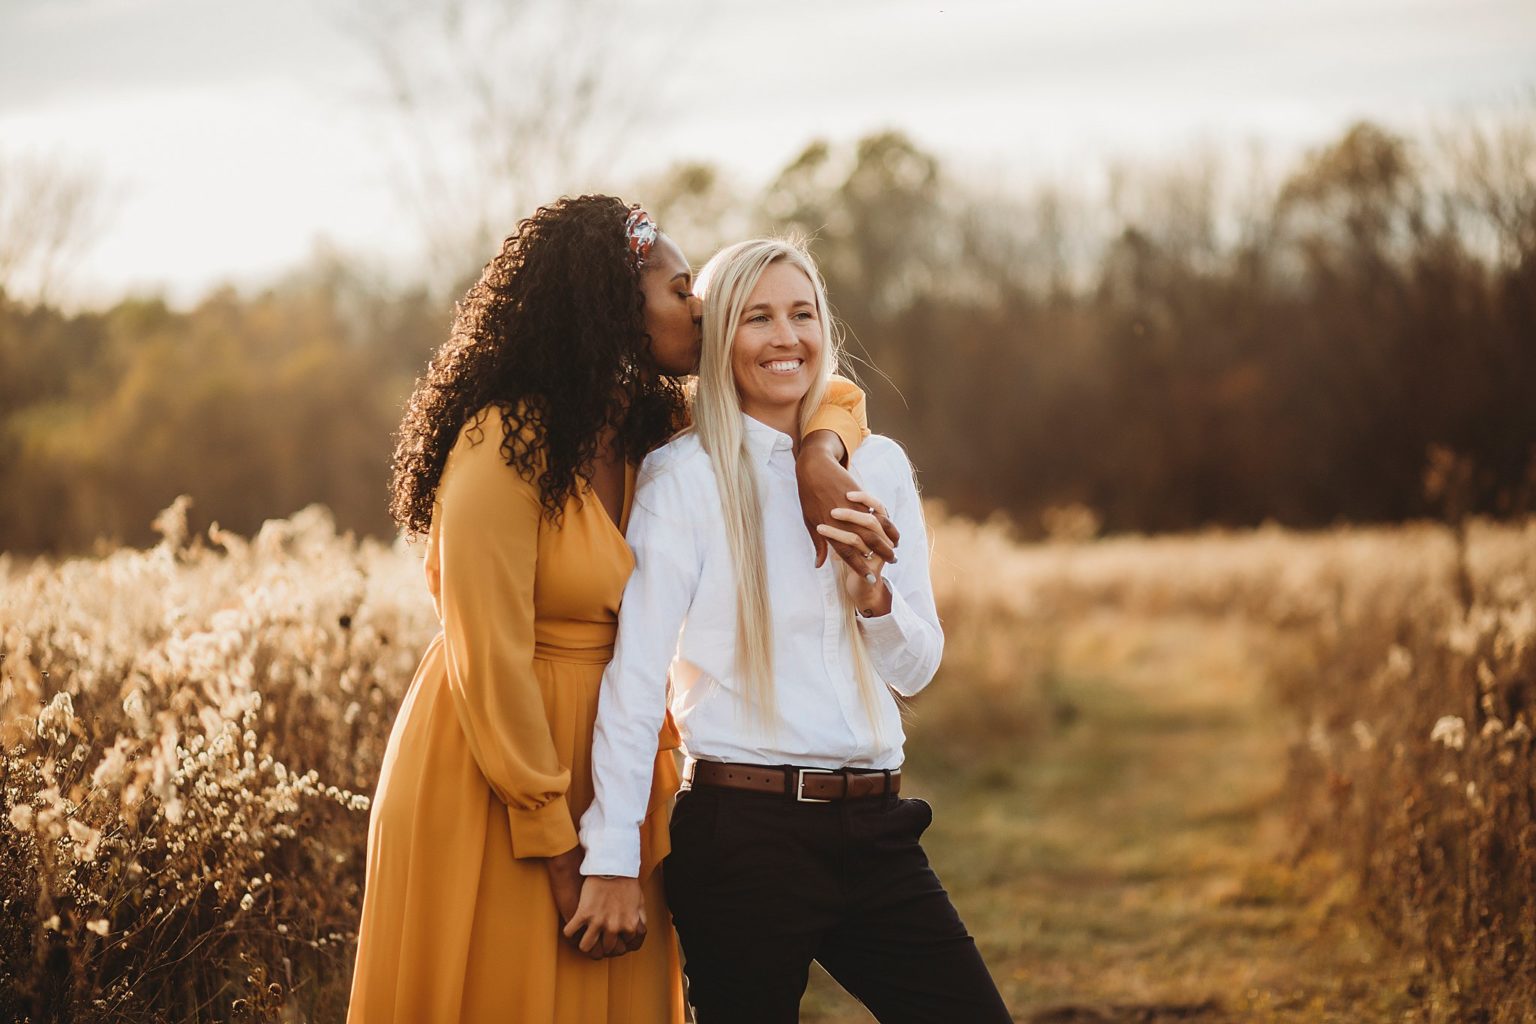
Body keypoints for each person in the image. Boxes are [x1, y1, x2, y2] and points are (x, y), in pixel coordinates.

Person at [346, 198, 896, 1023]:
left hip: (621, 758)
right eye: (682, 291)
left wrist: (819, 455)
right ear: (615, 309)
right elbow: (486, 658)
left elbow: (834, 391)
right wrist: (566, 855)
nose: (701, 308)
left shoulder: (655, 428)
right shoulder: (501, 445)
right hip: (496, 770)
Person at [568, 238, 1011, 1022]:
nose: (786, 338)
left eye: (802, 314)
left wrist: (872, 595)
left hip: (876, 829)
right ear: (717, 339)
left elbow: (917, 668)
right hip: (743, 838)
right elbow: (636, 681)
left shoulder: (879, 469)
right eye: (756, 317)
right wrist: (610, 860)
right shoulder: (683, 480)